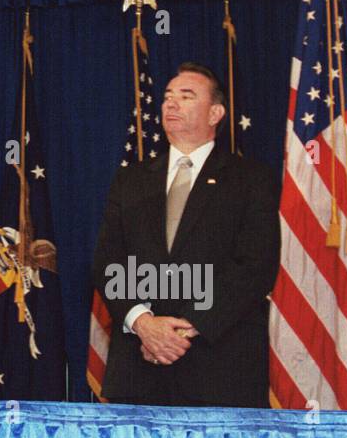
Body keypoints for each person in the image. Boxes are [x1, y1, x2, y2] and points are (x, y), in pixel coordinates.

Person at [91, 62, 280, 407]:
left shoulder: (252, 179)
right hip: (139, 367)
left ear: (215, 113)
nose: (170, 104)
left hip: (220, 369)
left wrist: (183, 330)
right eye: (167, 97)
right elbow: (108, 261)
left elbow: (255, 266)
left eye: (186, 96)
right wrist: (144, 324)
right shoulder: (130, 181)